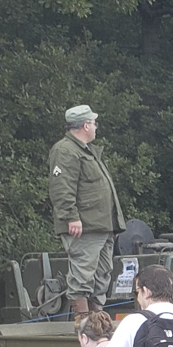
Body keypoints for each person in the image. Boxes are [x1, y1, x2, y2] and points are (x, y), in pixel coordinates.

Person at [48, 105, 125, 321]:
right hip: (85, 226)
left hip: (101, 226)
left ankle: (97, 320)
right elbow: (61, 187)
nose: (95, 127)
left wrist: (113, 224)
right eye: (93, 123)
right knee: (83, 272)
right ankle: (83, 321)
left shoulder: (86, 150)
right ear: (85, 125)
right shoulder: (65, 150)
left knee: (102, 273)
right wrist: (72, 216)